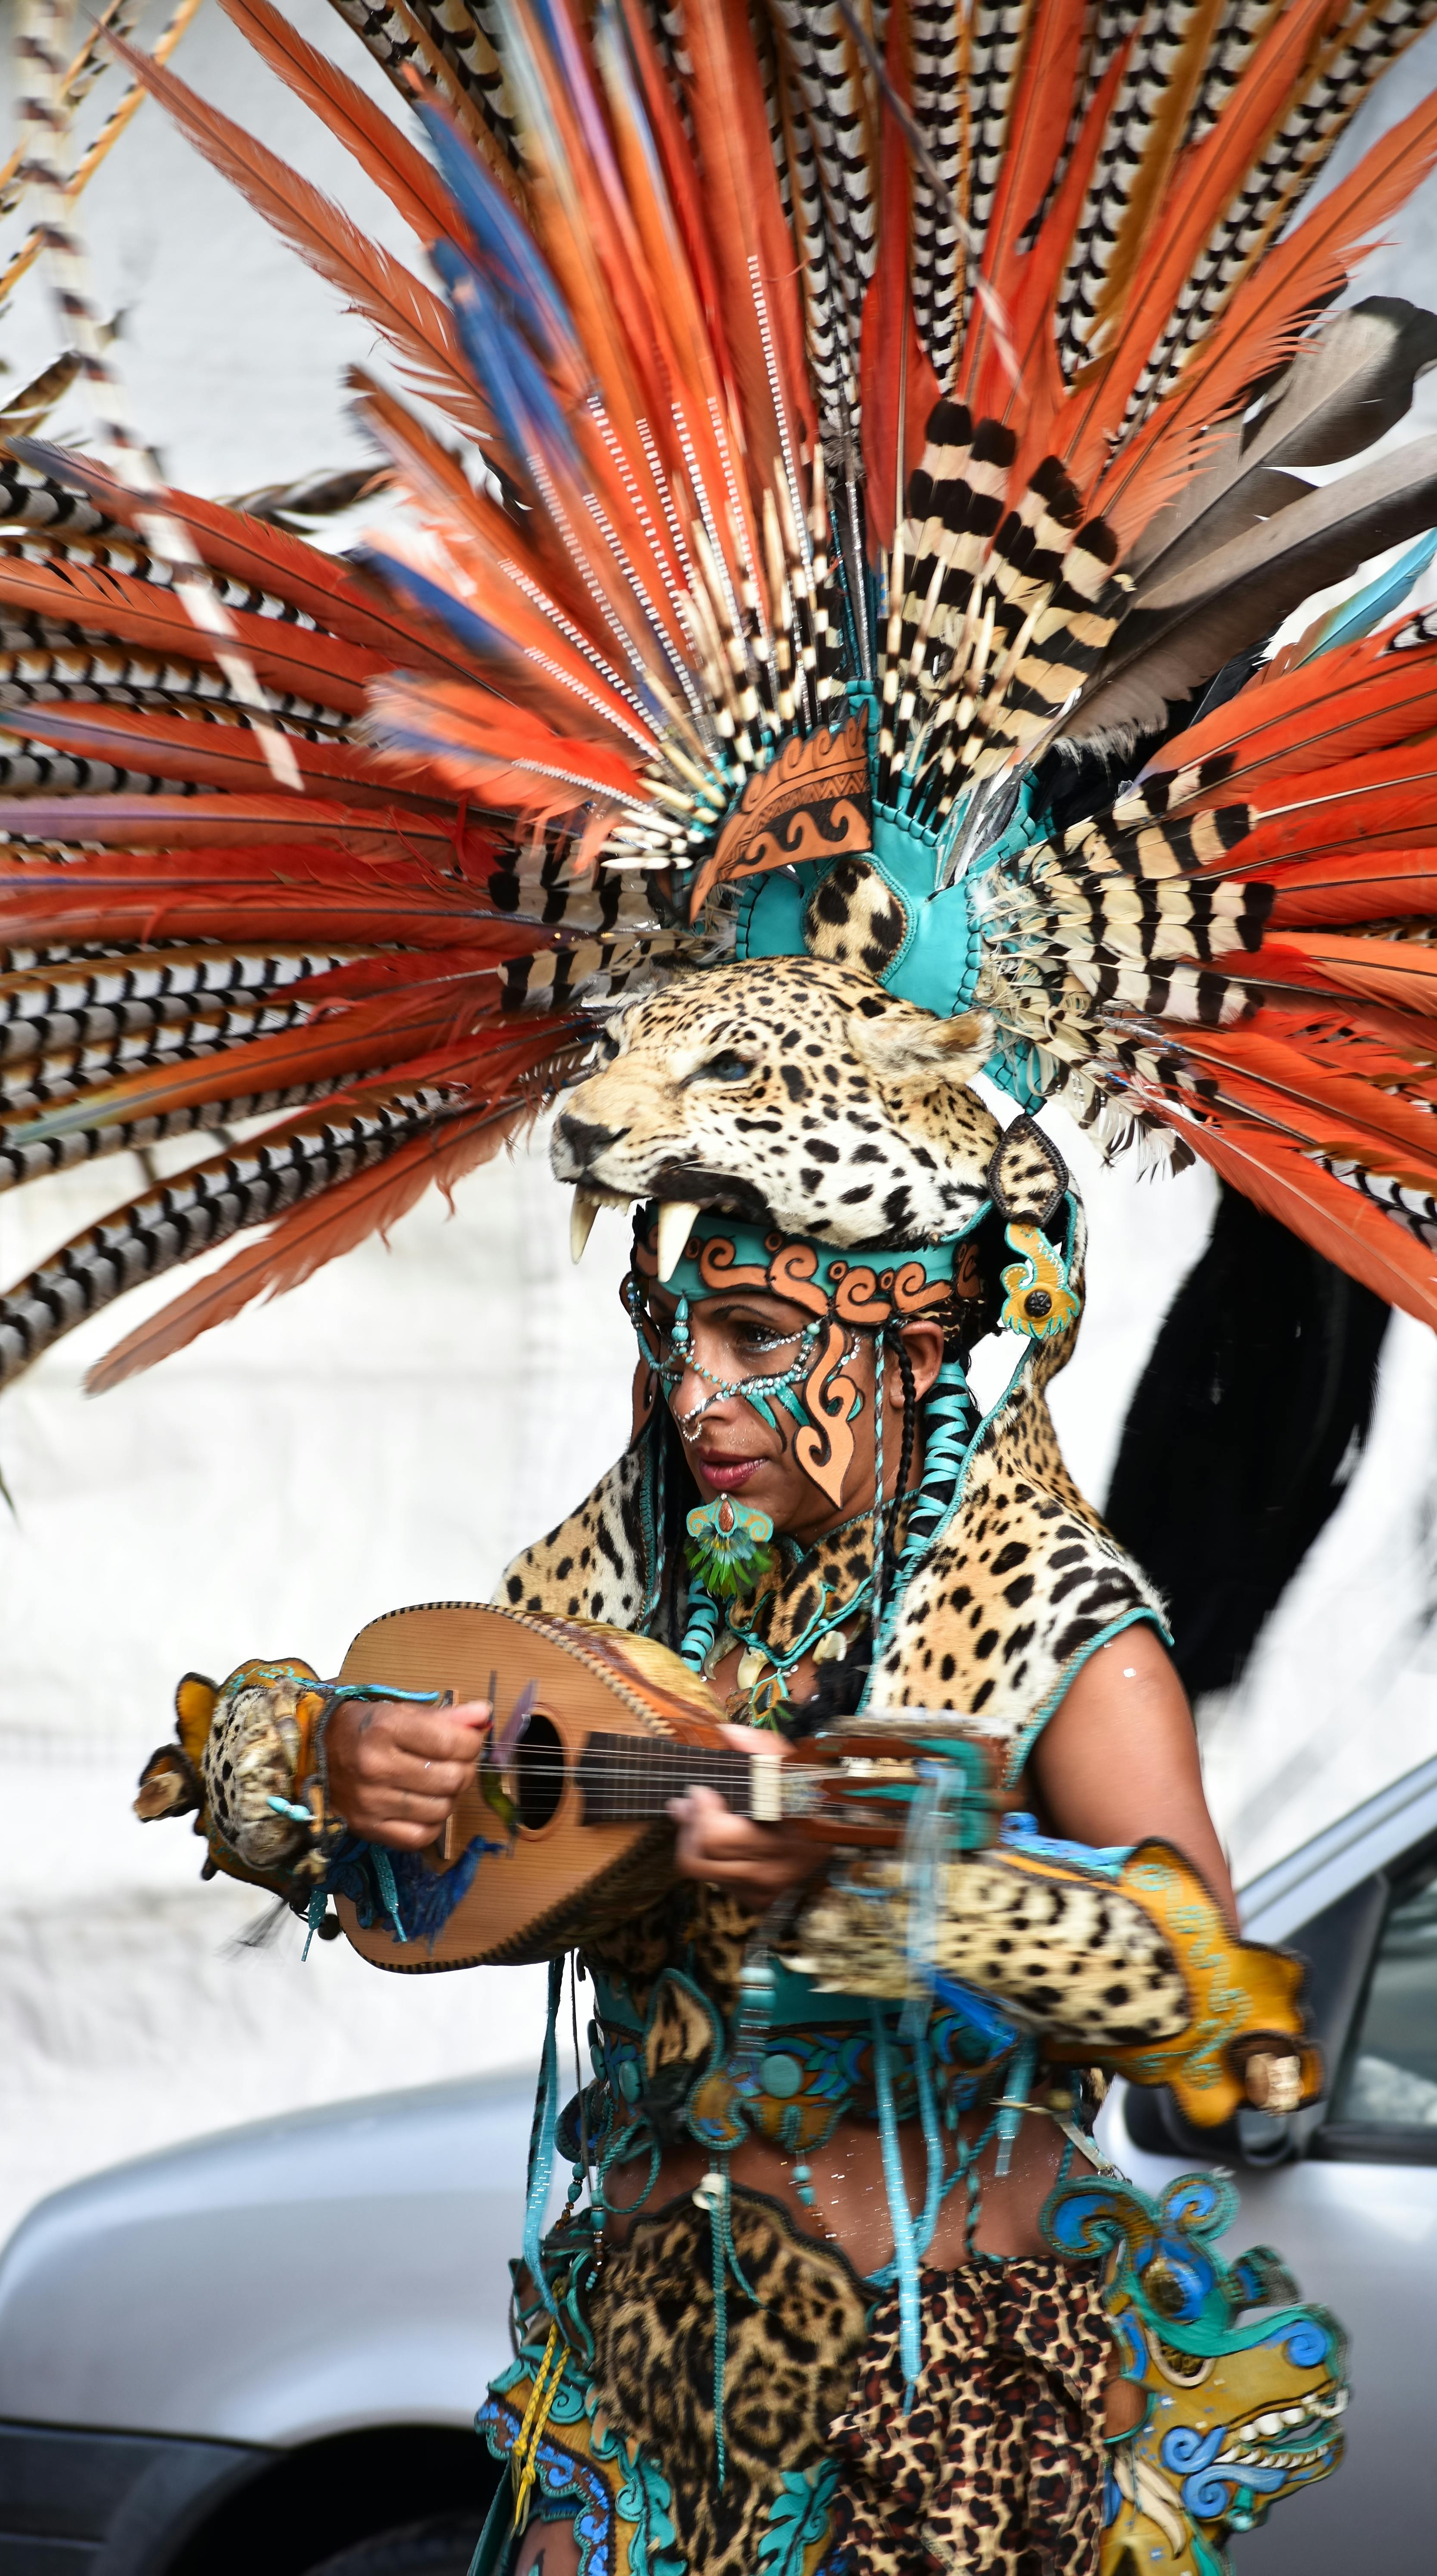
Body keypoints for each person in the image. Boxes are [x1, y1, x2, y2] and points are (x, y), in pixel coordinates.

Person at [143, 968, 1337, 2576]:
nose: (696, 1396)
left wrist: (903, 1889)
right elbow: (360, 1818)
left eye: (755, 1338)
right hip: (639, 2393)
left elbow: (1226, 2018)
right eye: (673, 1334)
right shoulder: (611, 1591)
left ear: (911, 1345)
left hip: (945, 2413)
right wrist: (334, 1763)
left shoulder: (1063, 1626)